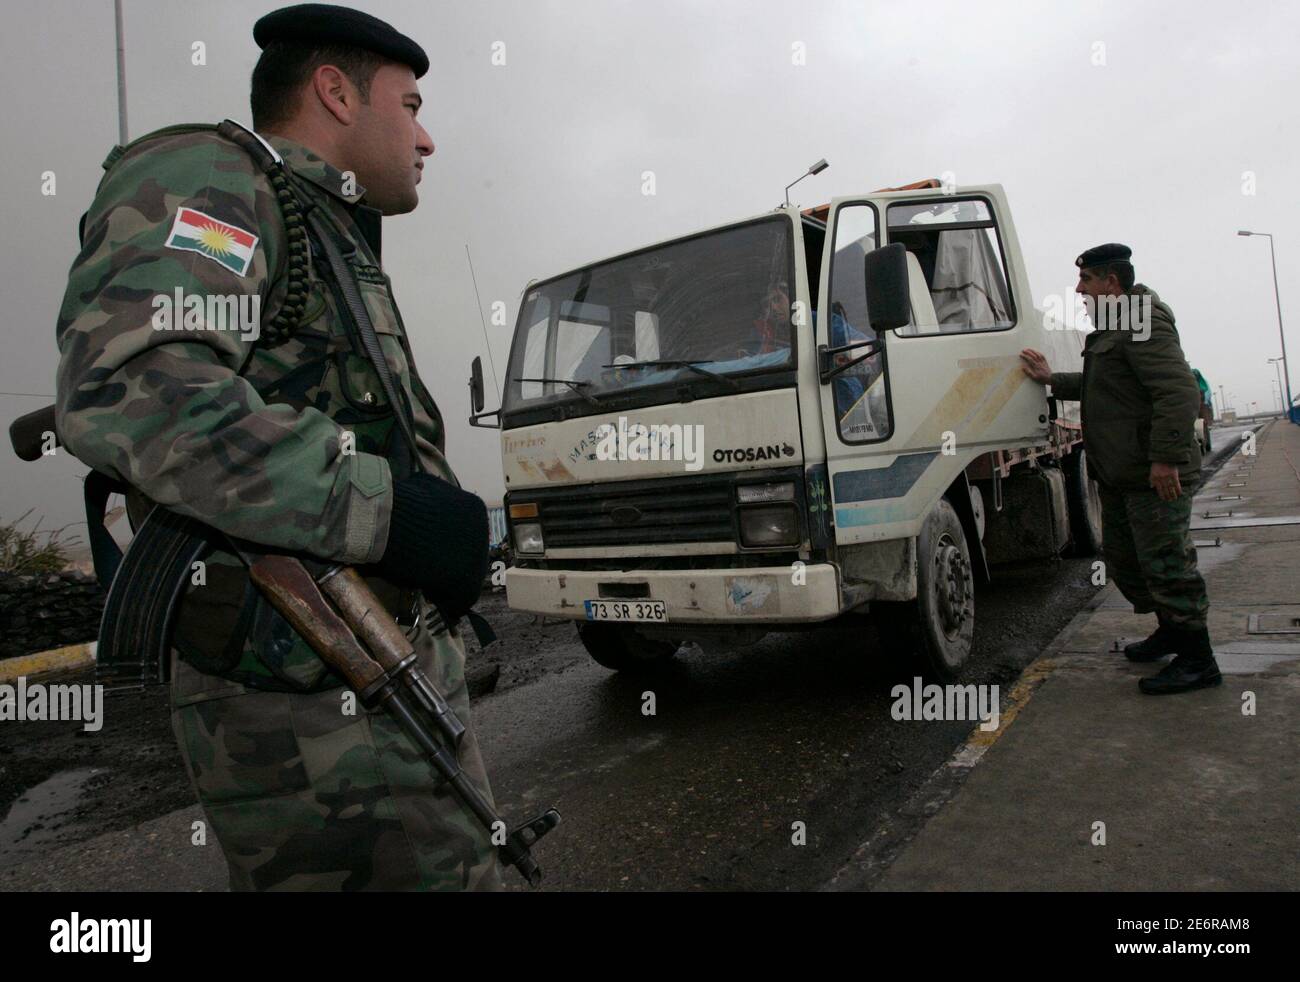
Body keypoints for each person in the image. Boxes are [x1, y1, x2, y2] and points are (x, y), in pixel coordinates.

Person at [54, 3, 501, 889]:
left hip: (367, 669)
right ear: (335, 92)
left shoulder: (320, 221)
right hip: (307, 690)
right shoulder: (216, 180)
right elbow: (137, 390)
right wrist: (391, 514)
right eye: (410, 105)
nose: (428, 137)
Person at [1019, 244, 1219, 695]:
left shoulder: (1140, 320)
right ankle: (1171, 632)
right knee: (1131, 564)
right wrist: (1053, 379)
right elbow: (1106, 386)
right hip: (1125, 474)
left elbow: (1178, 392)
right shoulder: (1117, 327)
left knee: (1167, 565)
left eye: (1086, 280)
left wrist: (1165, 459)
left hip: (1153, 475)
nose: (1079, 289)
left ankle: (1199, 660)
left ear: (1111, 283)